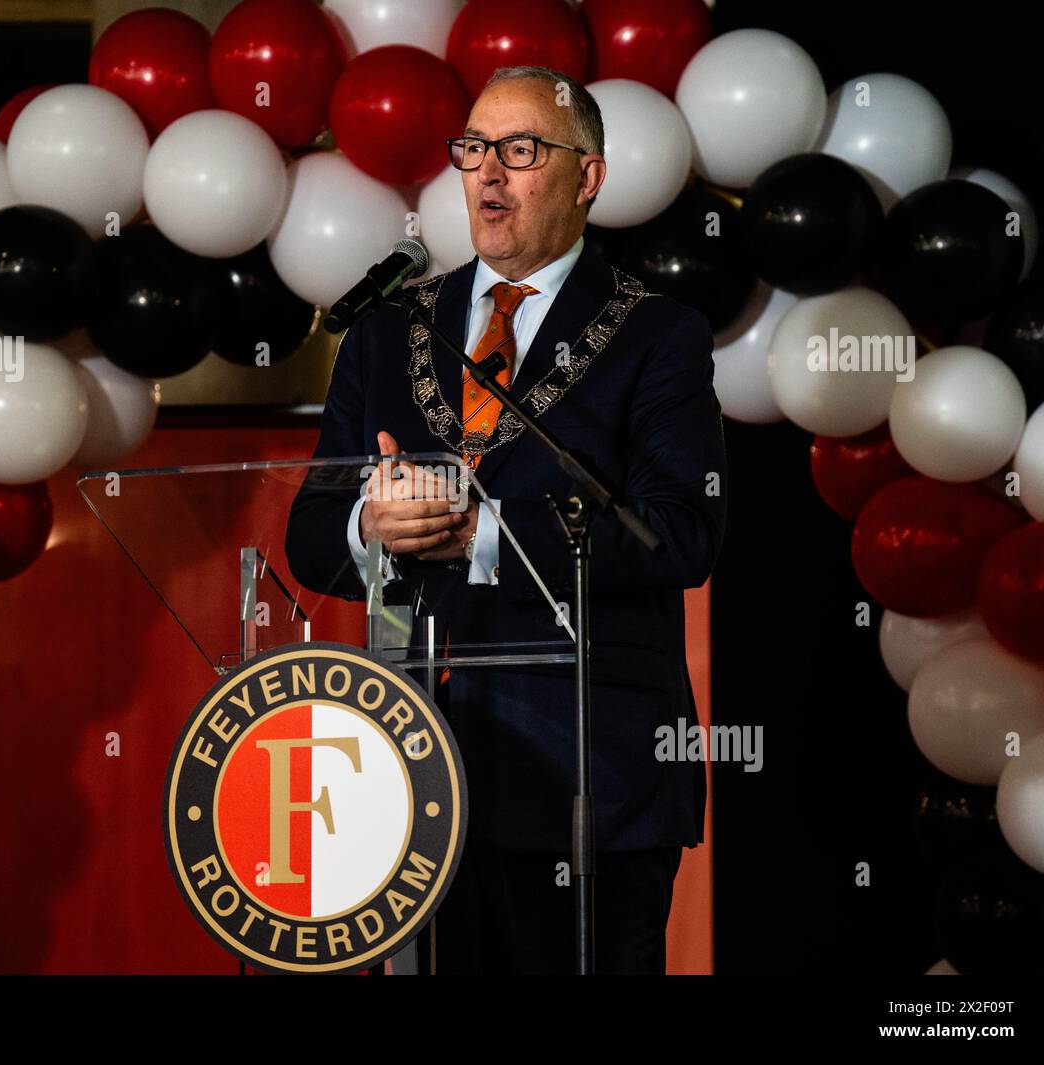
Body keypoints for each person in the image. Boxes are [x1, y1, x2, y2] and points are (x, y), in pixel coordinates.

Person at [284, 65, 726, 974]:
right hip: (411, 777)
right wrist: (370, 528)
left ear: (587, 177)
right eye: (474, 149)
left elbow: (681, 532)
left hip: (590, 777)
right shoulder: (388, 328)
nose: (489, 174)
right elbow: (308, 537)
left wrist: (479, 533)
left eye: (521, 151)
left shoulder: (657, 334)